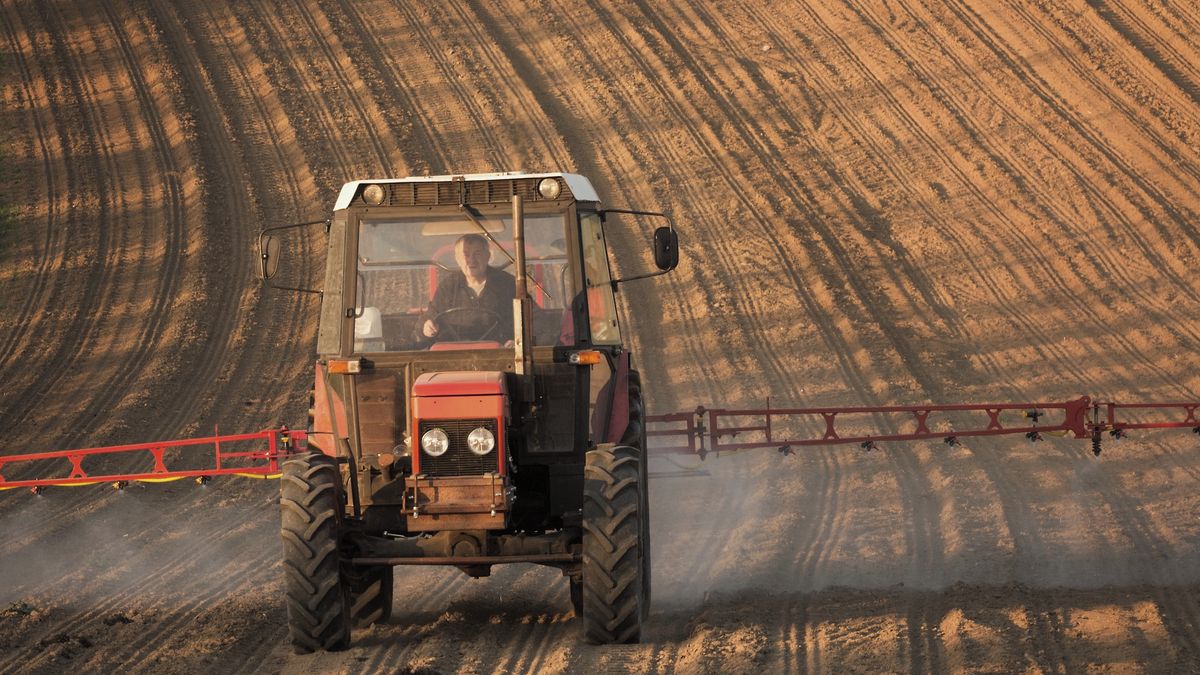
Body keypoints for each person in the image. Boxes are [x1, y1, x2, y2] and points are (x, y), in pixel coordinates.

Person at [418, 233, 516, 343]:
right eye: (466, 255)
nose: (471, 260)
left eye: (477, 254)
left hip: (500, 355)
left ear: (488, 256)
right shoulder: (448, 287)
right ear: (457, 259)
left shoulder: (508, 285)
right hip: (456, 354)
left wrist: (516, 341)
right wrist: (427, 327)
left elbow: (531, 319)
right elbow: (430, 317)